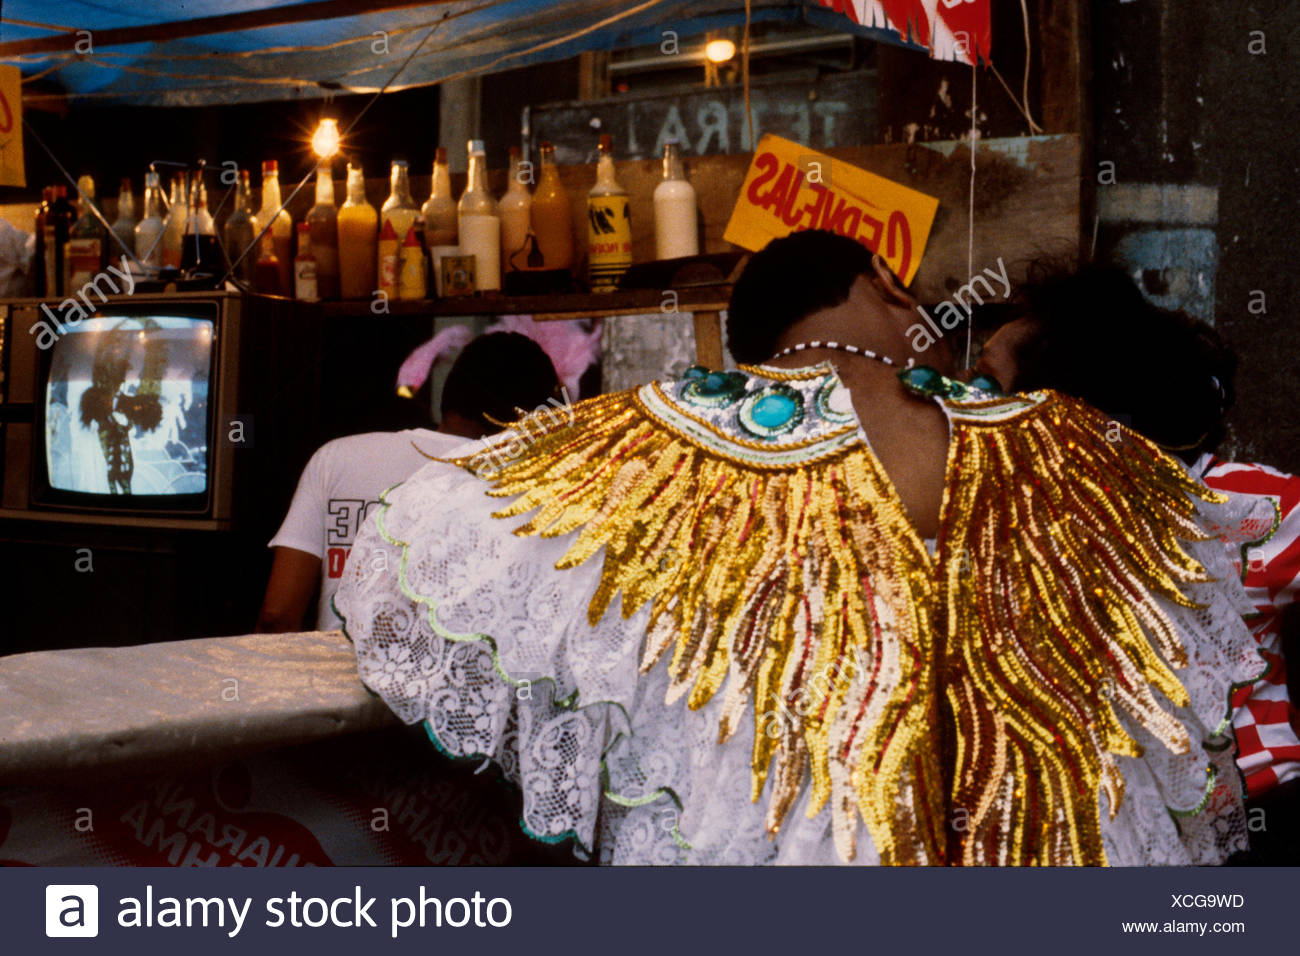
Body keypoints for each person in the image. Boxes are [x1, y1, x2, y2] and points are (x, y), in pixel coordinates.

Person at [336, 230, 1258, 865]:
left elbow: (425, 541)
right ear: (888, 286)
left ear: (750, 349)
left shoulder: (649, 443)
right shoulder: (1059, 441)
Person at [976, 264, 1300, 860]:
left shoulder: (1244, 508)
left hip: (1256, 838)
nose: (961, 409)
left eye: (987, 388)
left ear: (1067, 410)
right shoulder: (995, 529)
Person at [256, 331, 562, 633]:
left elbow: (277, 616)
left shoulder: (335, 458)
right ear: (529, 421)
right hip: (448, 681)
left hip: (326, 678)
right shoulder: (522, 488)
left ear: (450, 393)